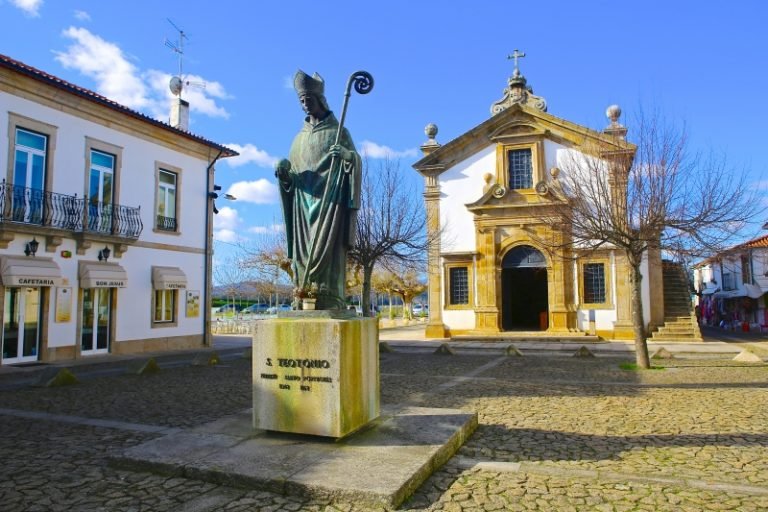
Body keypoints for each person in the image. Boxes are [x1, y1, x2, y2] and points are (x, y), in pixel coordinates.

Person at [275, 71, 361, 310]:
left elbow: (355, 160)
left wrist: (346, 156)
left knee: (330, 252)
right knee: (303, 255)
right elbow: (293, 180)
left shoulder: (339, 132)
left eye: (308, 100)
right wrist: (284, 175)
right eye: (301, 101)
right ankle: (303, 294)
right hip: (302, 206)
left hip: (330, 202)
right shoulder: (298, 139)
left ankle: (331, 296)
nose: (304, 105)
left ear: (320, 100)